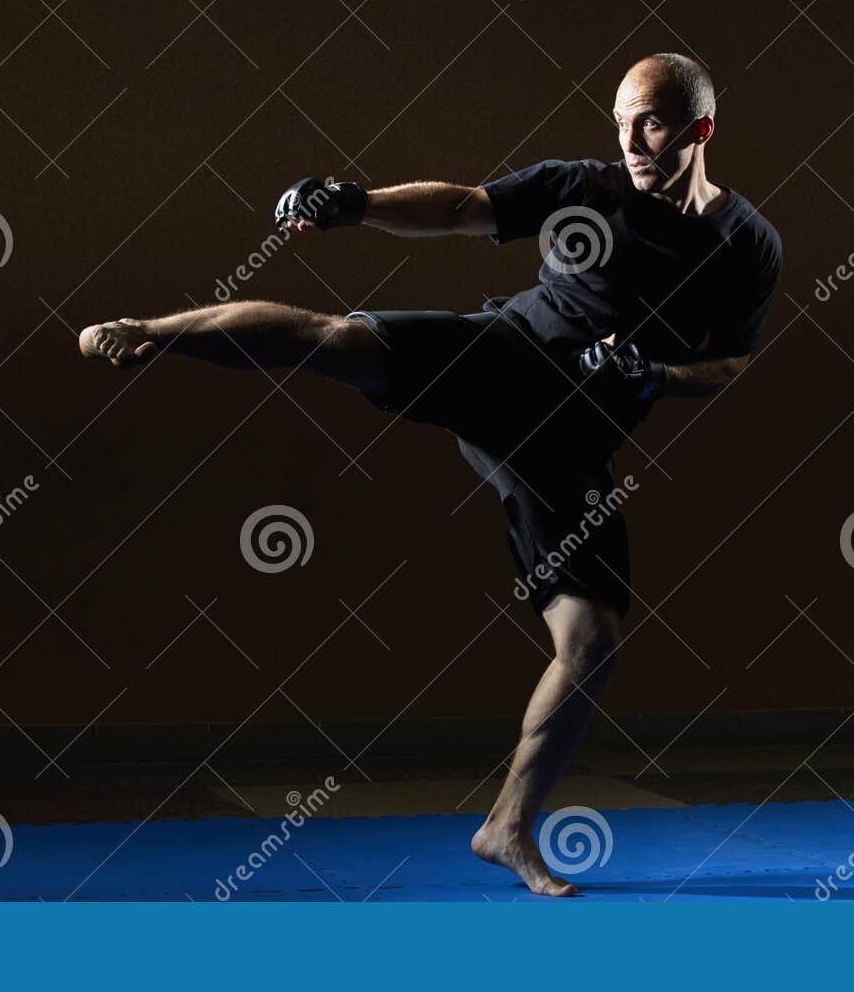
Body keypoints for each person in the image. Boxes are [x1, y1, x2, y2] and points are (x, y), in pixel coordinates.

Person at [78, 53, 782, 896]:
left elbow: (734, 363)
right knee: (337, 342)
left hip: (571, 440)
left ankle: (507, 828)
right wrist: (357, 204)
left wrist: (656, 377)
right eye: (621, 120)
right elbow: (461, 208)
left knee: (591, 646)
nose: (630, 141)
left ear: (700, 130)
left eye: (653, 125)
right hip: (505, 359)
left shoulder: (748, 243)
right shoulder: (582, 187)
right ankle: (149, 328)